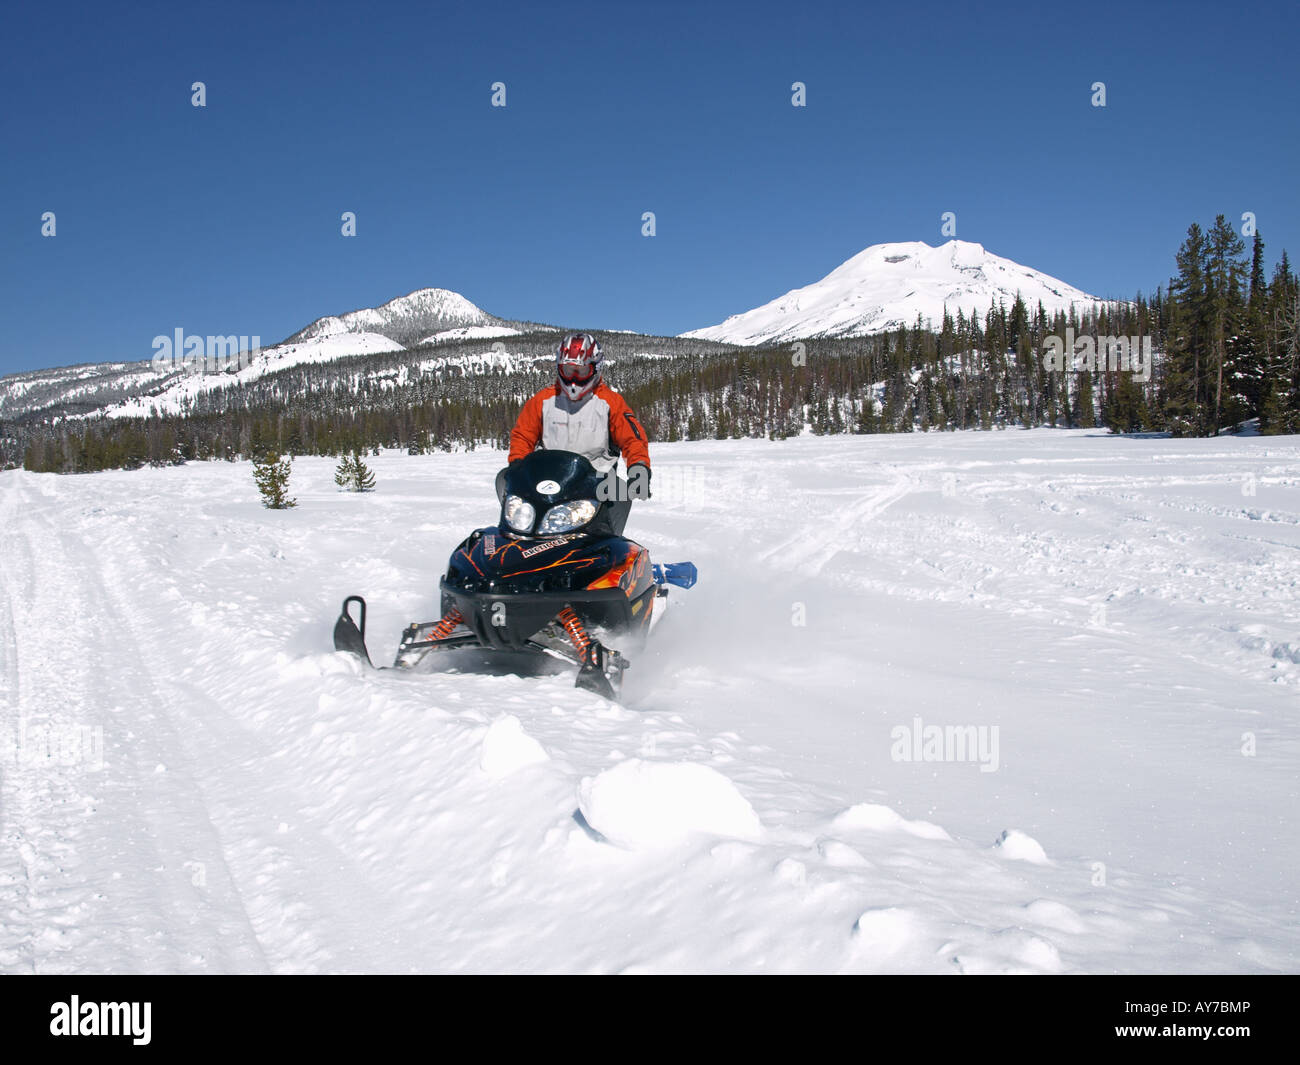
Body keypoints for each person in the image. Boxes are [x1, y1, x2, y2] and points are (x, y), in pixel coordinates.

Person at [500, 333, 650, 534]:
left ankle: (610, 555)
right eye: (568, 370)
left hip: (596, 487)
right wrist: (517, 464)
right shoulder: (543, 401)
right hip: (549, 483)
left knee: (600, 537)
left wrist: (638, 468)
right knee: (519, 522)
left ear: (595, 368)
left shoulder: (611, 403)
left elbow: (633, 439)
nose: (573, 379)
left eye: (581, 371)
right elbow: (523, 435)